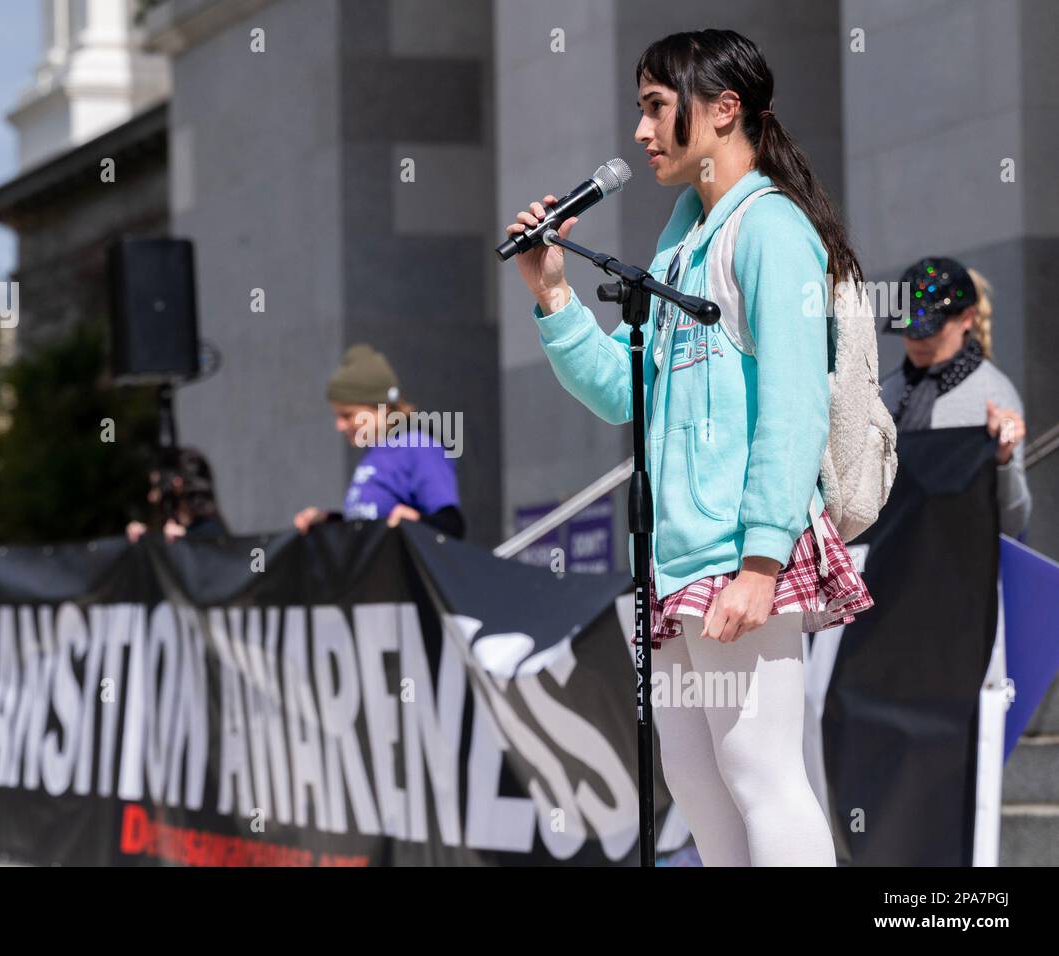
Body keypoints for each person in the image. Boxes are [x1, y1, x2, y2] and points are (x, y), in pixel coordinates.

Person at [504, 29, 874, 866]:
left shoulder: (770, 229)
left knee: (762, 775)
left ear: (723, 110)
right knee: (699, 782)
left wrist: (761, 562)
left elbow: (793, 408)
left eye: (655, 108)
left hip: (739, 555)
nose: (640, 132)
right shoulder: (681, 246)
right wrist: (554, 293)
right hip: (678, 561)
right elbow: (624, 391)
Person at [881, 257, 1031, 538]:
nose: (916, 340)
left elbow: (1012, 522)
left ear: (967, 319)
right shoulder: (887, 392)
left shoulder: (994, 396)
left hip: (961, 553)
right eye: (907, 327)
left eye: (929, 329)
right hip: (894, 553)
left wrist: (1004, 459)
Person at [293, 344, 465, 539]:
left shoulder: (418, 446)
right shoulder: (375, 453)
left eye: (347, 415)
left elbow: (452, 525)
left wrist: (416, 523)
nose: (339, 425)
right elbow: (371, 526)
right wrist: (329, 522)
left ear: (382, 408)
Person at [126, 447, 229, 543]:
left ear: (177, 483)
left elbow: (215, 548)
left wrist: (186, 537)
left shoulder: (211, 529)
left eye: (157, 486)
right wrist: (145, 536)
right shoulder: (171, 524)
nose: (151, 497)